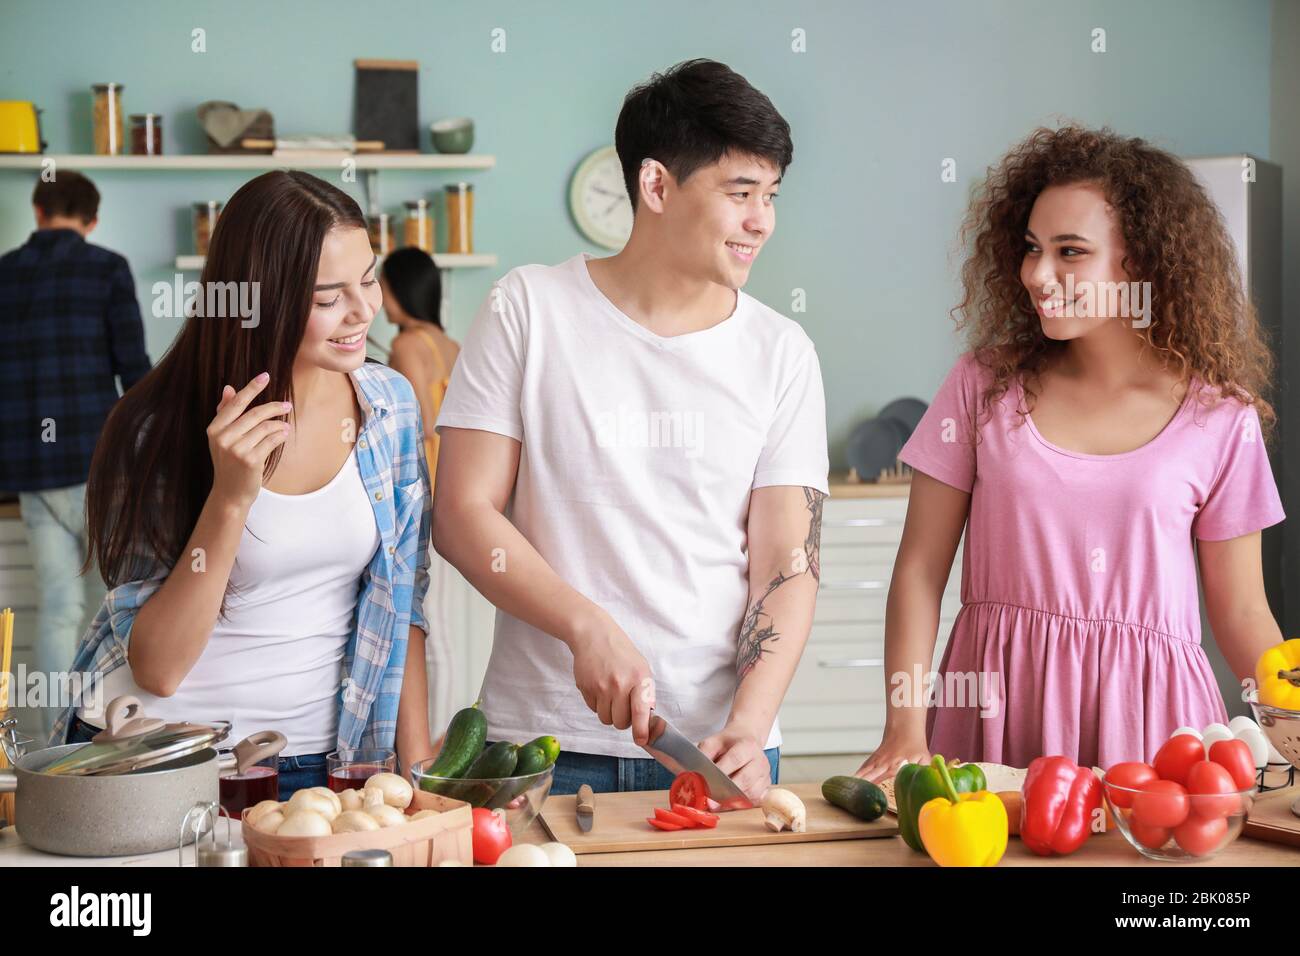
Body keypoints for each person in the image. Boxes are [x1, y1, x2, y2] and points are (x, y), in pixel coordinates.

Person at [433, 59, 828, 801]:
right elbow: (460, 516)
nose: (762, 221)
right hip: (542, 745)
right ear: (656, 186)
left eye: (770, 195)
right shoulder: (528, 310)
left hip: (719, 751)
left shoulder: (782, 354)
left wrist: (752, 722)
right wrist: (586, 627)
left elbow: (788, 561)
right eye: (740, 193)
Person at [857, 126, 1286, 779]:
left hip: (1153, 729)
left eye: (1070, 252)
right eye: (1031, 248)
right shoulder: (982, 385)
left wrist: (1295, 732)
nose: (1037, 273)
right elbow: (919, 572)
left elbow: (1243, 610)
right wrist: (903, 729)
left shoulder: (1221, 418)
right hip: (991, 709)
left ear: (1140, 262)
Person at [48, 170, 436, 797]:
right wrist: (230, 497)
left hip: (324, 767)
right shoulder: (156, 429)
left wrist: (416, 773)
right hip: (160, 765)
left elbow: (404, 604)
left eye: (368, 279)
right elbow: (160, 666)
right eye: (326, 297)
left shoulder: (388, 407)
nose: (364, 311)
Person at [0, 170, 150, 737]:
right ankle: (117, 738)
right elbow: (133, 372)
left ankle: (49, 746)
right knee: (118, 603)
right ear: (91, 220)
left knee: (58, 606)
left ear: (39, 211)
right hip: (99, 464)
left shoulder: (5, 275)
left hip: (32, 474)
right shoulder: (107, 268)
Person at [381, 247, 460, 746]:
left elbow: (411, 427)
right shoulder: (447, 343)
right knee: (443, 627)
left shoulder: (408, 344)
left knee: (419, 631)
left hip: (418, 495)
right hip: (453, 489)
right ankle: (437, 743)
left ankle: (424, 744)